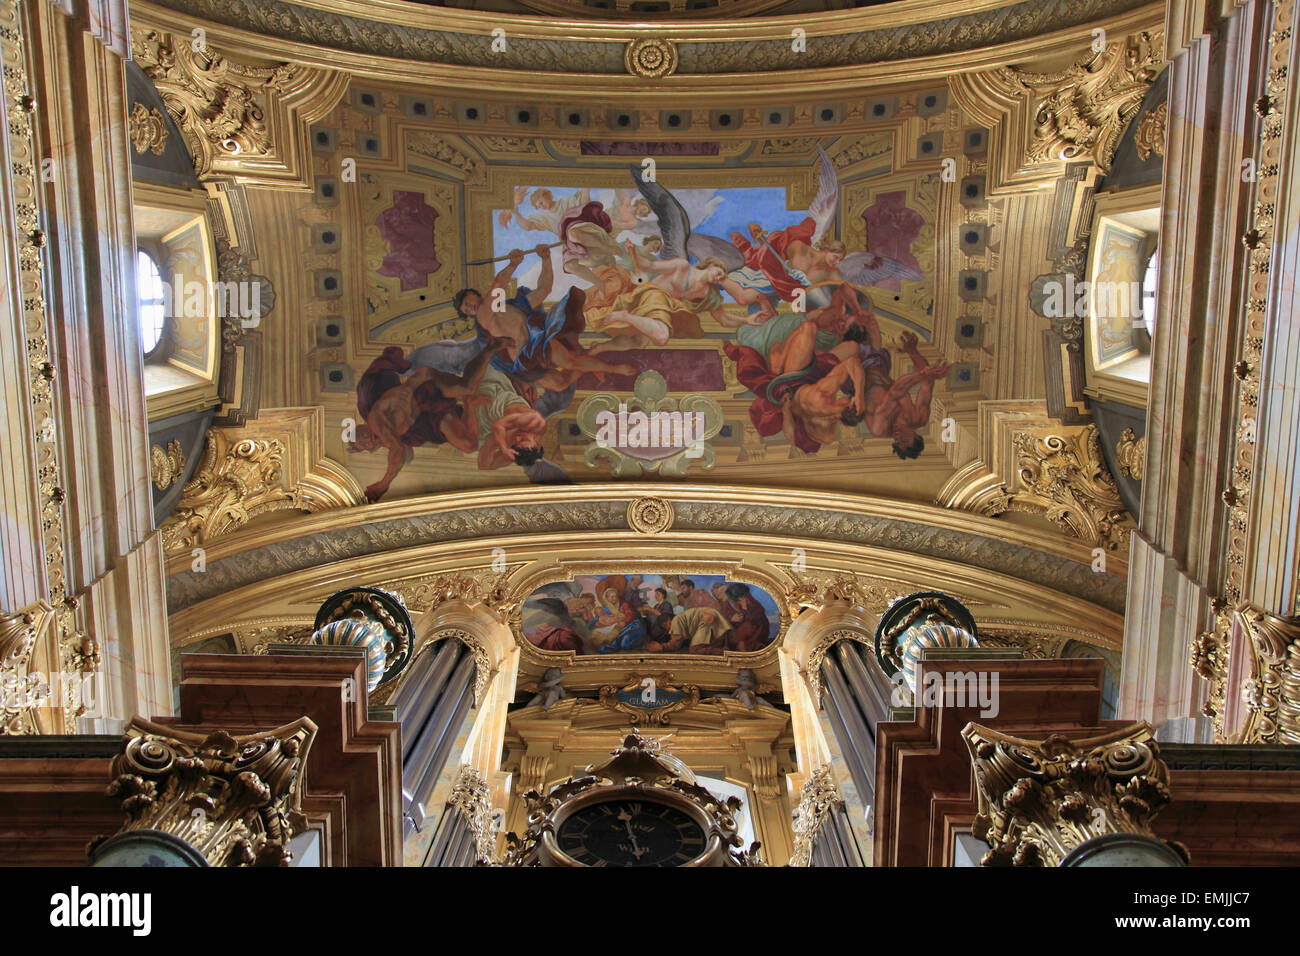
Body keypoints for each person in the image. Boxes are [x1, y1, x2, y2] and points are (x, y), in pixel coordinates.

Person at [350, 339, 508, 501]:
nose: (365, 439)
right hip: (430, 410)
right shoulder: (388, 437)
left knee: (467, 387)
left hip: (425, 384)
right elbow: (401, 448)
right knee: (469, 445)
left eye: (360, 434)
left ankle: (490, 348)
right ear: (369, 450)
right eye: (363, 444)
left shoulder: (376, 419)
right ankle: (470, 403)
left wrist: (384, 484)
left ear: (362, 425)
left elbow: (397, 450)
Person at [724, 584, 771, 652]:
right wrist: (732, 618)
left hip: (757, 628)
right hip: (739, 626)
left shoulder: (750, 602)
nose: (737, 602)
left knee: (747, 626)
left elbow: (758, 617)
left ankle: (742, 645)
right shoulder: (730, 601)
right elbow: (727, 614)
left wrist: (745, 608)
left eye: (740, 599)